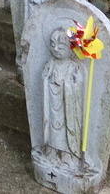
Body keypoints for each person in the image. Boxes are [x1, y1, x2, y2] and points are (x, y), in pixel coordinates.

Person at [41, 27, 85, 169]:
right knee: (53, 132)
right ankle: (53, 154)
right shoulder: (51, 63)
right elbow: (44, 78)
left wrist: (69, 84)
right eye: (53, 44)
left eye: (61, 45)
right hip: (53, 106)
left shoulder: (73, 66)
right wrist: (46, 79)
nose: (56, 48)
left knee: (66, 132)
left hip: (68, 108)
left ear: (72, 48)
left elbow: (78, 85)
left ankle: (67, 157)